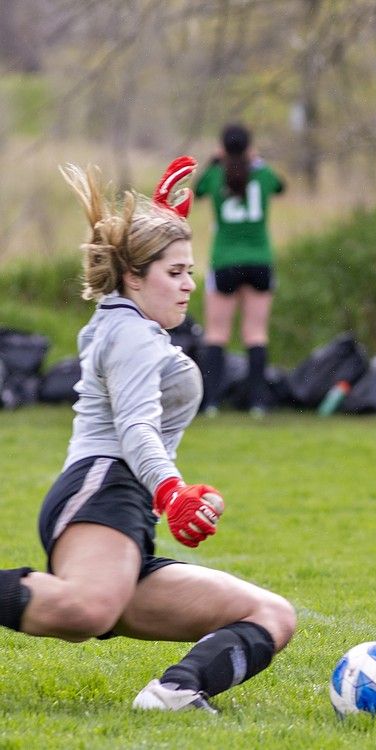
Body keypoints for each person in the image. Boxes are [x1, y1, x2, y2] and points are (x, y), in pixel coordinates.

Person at [0, 159, 296, 713]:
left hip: (128, 509)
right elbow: (135, 427)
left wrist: (159, 223)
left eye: (190, 271)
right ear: (134, 277)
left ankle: (174, 693)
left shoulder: (125, 319)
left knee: (271, 615)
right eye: (175, 272)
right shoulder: (130, 331)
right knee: (87, 612)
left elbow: (123, 292)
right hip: (104, 487)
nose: (189, 285)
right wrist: (173, 492)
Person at [195, 123, 285, 418]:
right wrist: (257, 160)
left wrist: (214, 161)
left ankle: (211, 402)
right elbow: (281, 186)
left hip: (225, 260)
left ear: (222, 147)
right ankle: (257, 401)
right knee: (255, 333)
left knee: (217, 332)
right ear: (249, 147)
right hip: (259, 259)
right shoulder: (261, 174)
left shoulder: (215, 175)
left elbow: (197, 191)